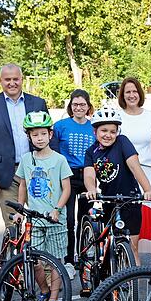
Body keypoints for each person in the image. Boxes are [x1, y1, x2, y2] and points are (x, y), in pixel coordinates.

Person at [0, 63, 48, 228]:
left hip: (37, 171)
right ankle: (14, 254)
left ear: (22, 79)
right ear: (0, 81)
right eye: (7, 79)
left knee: (43, 220)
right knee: (13, 224)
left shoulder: (38, 103)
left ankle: (38, 254)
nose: (12, 83)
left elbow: (49, 136)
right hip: (7, 175)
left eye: (16, 79)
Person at [13, 111, 71, 301]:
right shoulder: (26, 159)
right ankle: (44, 291)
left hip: (55, 219)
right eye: (35, 134)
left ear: (50, 135)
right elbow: (22, 185)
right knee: (35, 261)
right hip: (34, 220)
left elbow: (67, 188)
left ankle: (54, 299)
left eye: (43, 134)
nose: (39, 138)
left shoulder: (59, 160)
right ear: (29, 136)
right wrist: (20, 209)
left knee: (55, 261)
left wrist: (57, 209)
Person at [84, 107, 151, 263]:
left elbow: (134, 166)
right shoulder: (91, 152)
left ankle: (133, 282)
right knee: (109, 243)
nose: (108, 135)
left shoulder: (122, 141)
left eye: (112, 131)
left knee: (132, 247)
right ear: (95, 132)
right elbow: (89, 175)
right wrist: (91, 189)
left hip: (130, 200)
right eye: (104, 130)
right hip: (108, 201)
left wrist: (148, 189)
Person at [52, 89, 96, 274]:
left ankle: (84, 257)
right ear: (70, 106)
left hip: (86, 175)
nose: (79, 108)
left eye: (82, 104)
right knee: (68, 220)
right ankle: (69, 260)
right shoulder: (61, 126)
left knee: (85, 218)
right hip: (67, 176)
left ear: (88, 107)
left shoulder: (93, 126)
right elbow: (53, 150)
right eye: (75, 104)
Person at [117, 77, 151, 247]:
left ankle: (148, 258)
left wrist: (142, 161)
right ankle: (127, 254)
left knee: (146, 218)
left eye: (135, 91)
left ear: (140, 94)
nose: (131, 95)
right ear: (122, 95)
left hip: (146, 171)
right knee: (126, 217)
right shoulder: (117, 116)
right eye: (128, 92)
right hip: (123, 173)